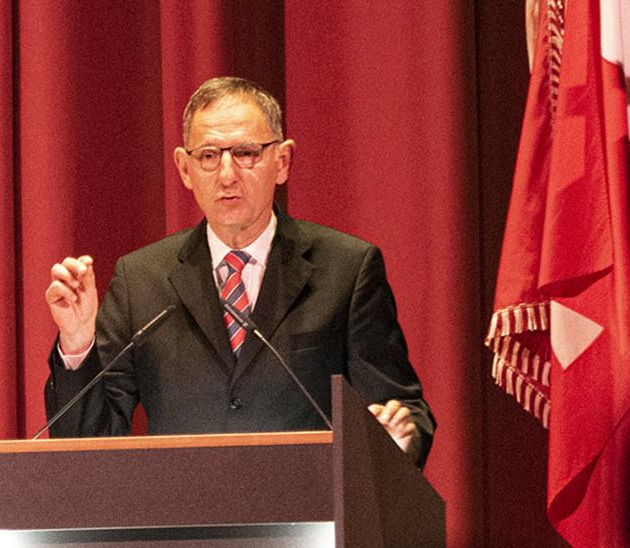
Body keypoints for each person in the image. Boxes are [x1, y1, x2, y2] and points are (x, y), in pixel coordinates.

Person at [43, 76, 434, 459]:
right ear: (184, 169)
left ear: (282, 161)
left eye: (246, 153)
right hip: (184, 517)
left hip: (310, 515)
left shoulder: (346, 269)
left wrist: (393, 442)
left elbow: (399, 408)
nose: (227, 175)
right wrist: (77, 343)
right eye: (209, 157)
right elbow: (87, 444)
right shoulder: (141, 280)